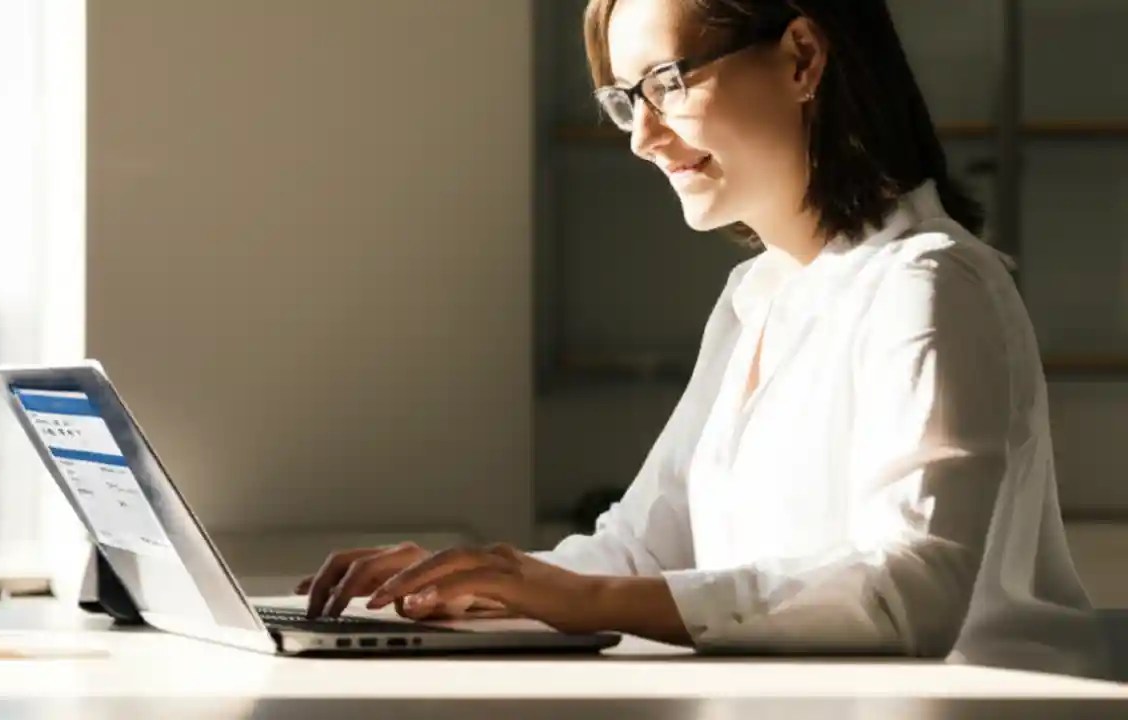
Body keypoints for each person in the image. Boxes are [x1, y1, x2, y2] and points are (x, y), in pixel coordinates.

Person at [295, 0, 1111, 678]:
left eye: (666, 82)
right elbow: (641, 549)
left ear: (801, 58)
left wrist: (567, 598)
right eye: (625, 99)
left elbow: (908, 596)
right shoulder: (759, 297)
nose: (643, 137)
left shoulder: (931, 283)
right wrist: (475, 583)